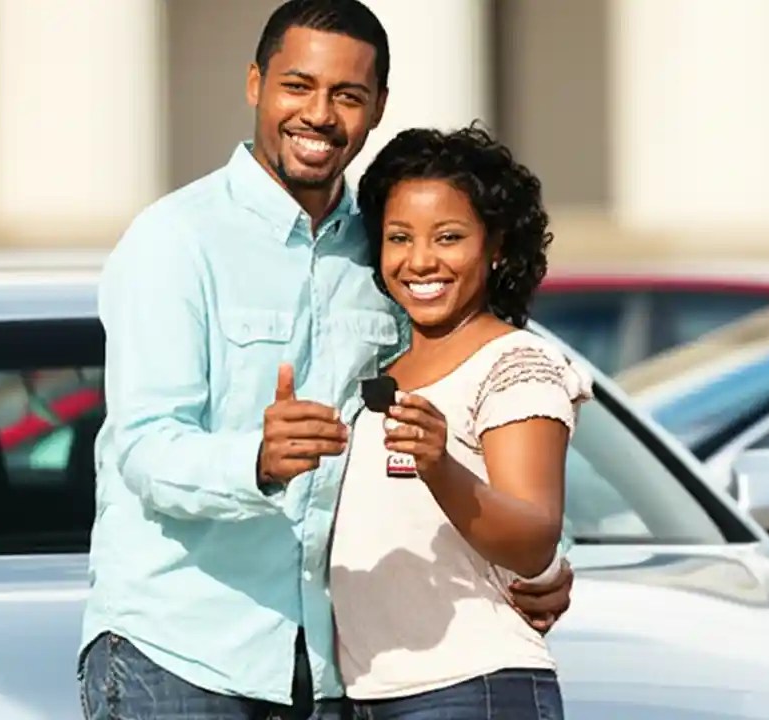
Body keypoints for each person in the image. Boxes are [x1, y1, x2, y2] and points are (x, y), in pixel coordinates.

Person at [78, 2, 574, 718]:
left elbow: (470, 415)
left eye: (347, 95)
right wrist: (256, 461)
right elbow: (144, 448)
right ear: (256, 85)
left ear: (377, 109)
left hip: (332, 671)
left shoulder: (387, 251)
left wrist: (543, 560)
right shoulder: (174, 242)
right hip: (180, 650)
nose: (318, 114)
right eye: (297, 86)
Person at [328, 125, 590, 720]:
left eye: (448, 237)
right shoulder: (379, 366)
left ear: (496, 245)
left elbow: (532, 537)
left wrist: (440, 467)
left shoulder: (516, 363)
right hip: (368, 696)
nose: (421, 261)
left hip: (472, 689)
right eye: (399, 238)